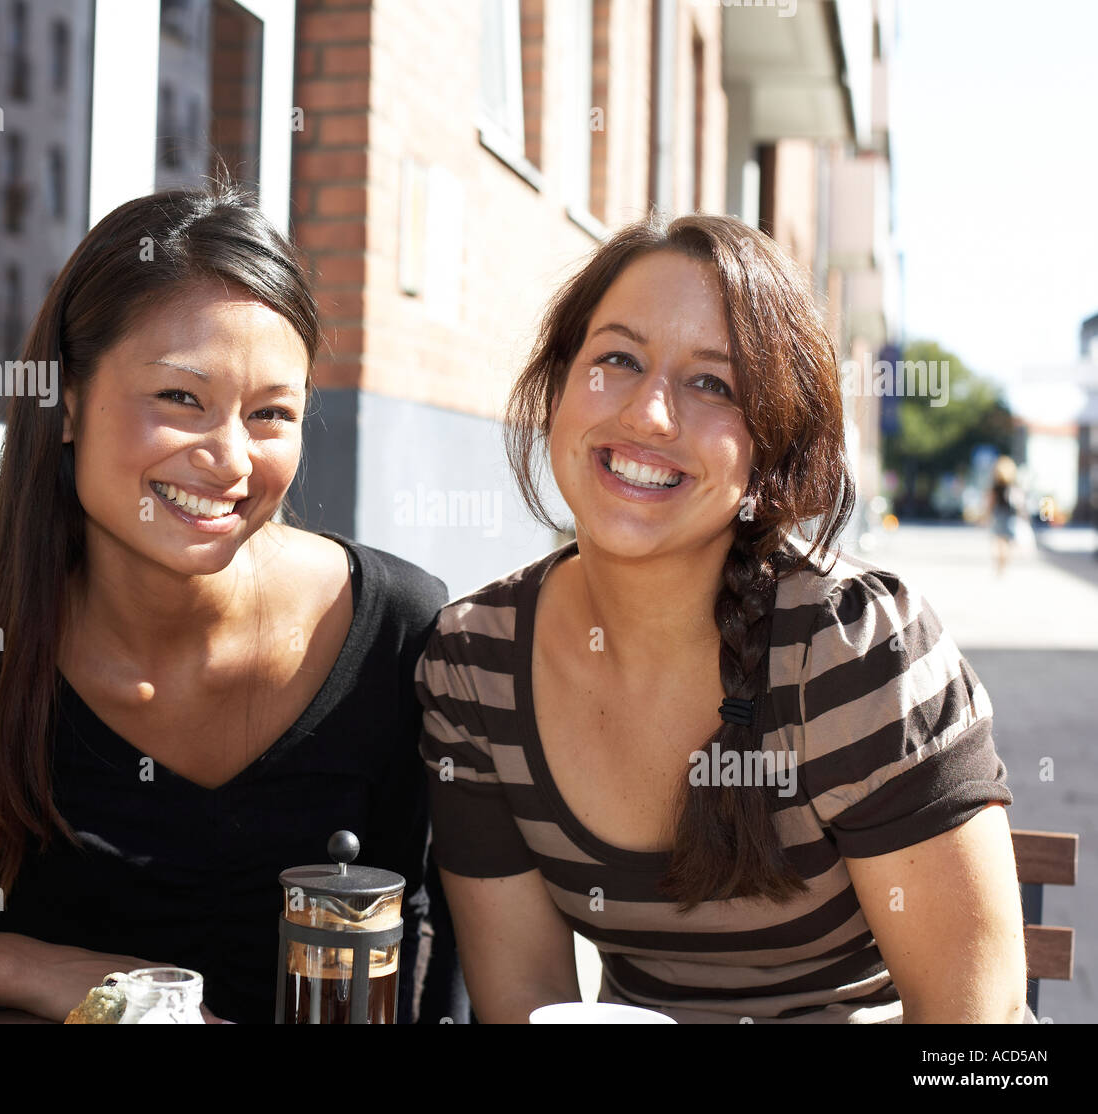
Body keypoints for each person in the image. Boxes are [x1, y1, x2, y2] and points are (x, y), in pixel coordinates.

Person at [0, 182, 453, 1024]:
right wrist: (35, 969)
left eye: (270, 414)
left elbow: (440, 950)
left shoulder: (398, 627)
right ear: (66, 402)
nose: (228, 459)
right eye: (180, 398)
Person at [415, 213, 1032, 1023]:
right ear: (559, 384)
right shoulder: (474, 662)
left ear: (772, 446)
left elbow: (973, 1035)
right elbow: (524, 998)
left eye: (714, 384)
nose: (650, 415)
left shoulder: (852, 652)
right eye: (618, 360)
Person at [987, 455, 1021, 575]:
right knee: (1007, 541)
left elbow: (990, 502)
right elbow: (1019, 503)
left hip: (998, 515)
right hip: (1010, 516)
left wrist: (986, 515)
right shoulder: (1014, 485)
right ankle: (1004, 562)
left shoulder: (996, 486)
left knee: (999, 540)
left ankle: (1000, 562)